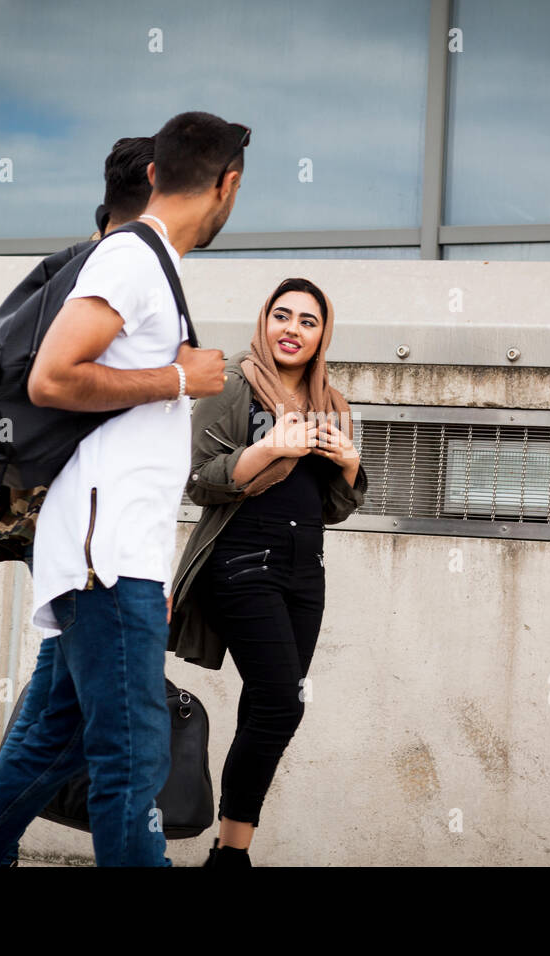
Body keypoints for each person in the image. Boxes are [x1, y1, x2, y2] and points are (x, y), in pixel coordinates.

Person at [0, 110, 245, 867]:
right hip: (107, 561)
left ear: (158, 174)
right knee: (131, 762)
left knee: (48, 746)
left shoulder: (149, 262)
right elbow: (53, 376)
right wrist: (178, 378)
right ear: (228, 186)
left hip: (114, 556)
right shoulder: (130, 259)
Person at [0, 135, 154, 867]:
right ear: (158, 182)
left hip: (48, 501)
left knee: (58, 693)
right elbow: (69, 387)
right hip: (80, 518)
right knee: (84, 714)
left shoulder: (76, 261)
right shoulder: (112, 272)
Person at [167, 277, 368, 866]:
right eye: (282, 316)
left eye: (308, 321)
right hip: (242, 558)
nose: (293, 329)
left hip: (306, 571)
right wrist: (271, 447)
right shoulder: (234, 383)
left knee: (267, 702)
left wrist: (351, 465)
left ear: (322, 334)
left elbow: (330, 507)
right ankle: (231, 857)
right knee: (284, 703)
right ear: (265, 321)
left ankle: (230, 852)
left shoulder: (331, 403)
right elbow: (199, 479)